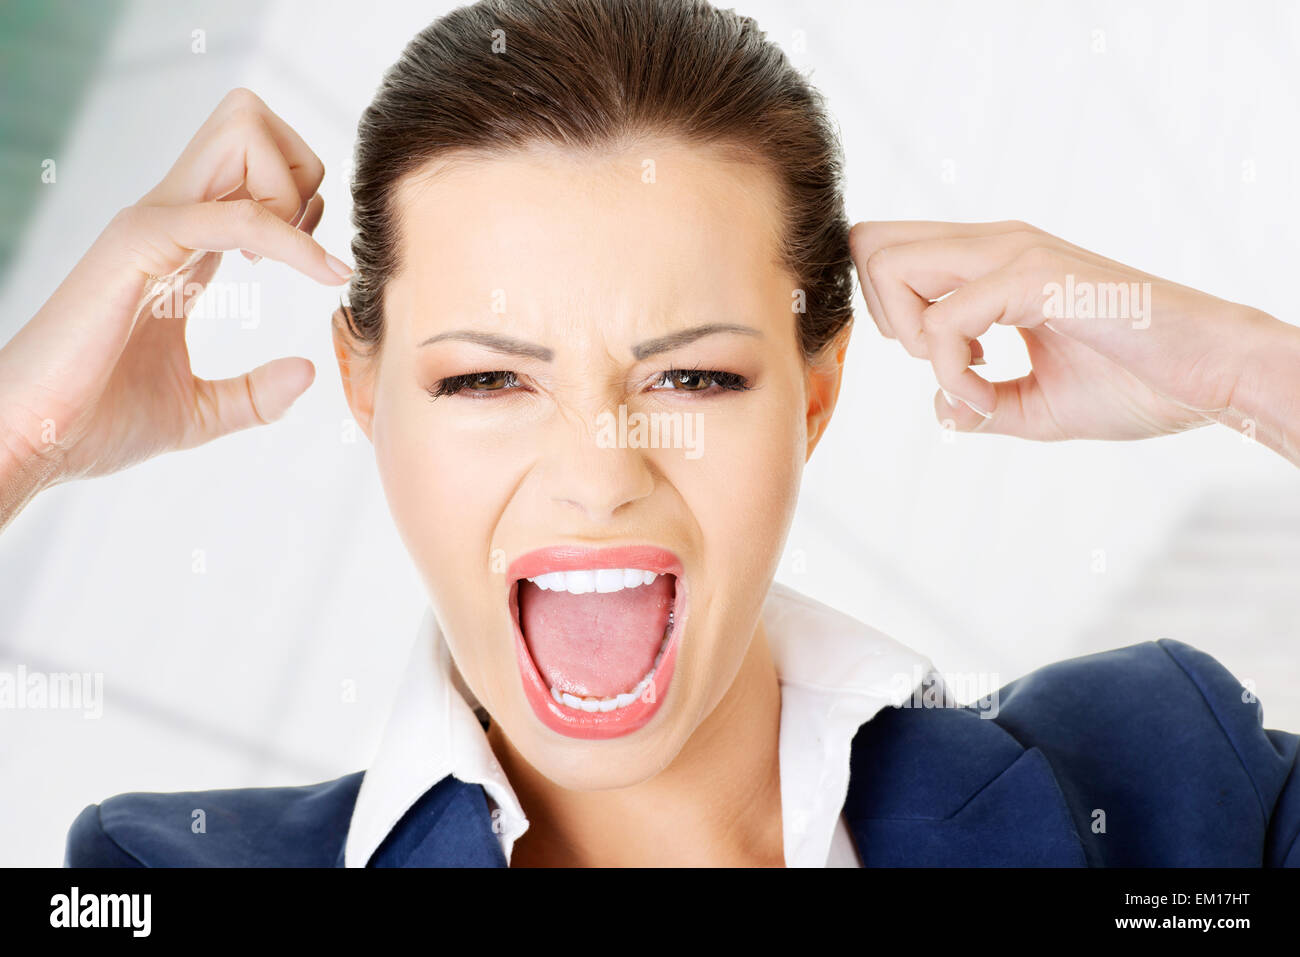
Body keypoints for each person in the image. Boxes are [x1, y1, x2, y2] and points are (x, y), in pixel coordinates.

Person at [2, 0, 1297, 867]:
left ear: (816, 394)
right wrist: (21, 433)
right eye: (485, 383)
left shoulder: (1169, 792)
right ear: (367, 391)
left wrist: (1248, 366)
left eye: (692, 380)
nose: (595, 475)